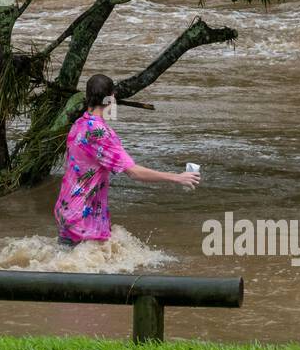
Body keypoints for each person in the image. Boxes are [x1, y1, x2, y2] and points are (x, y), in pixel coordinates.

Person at [53, 74, 199, 246]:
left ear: (87, 97)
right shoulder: (101, 133)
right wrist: (177, 177)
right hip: (84, 220)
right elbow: (134, 172)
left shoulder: (78, 124)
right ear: (111, 99)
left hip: (67, 211)